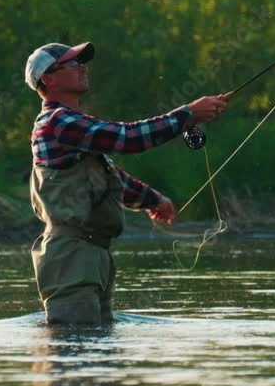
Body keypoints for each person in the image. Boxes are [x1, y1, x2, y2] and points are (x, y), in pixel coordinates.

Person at [23, 41, 230, 324]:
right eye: (73, 64)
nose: (83, 68)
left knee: (97, 353)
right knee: (72, 350)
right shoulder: (56, 122)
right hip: (71, 257)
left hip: (93, 256)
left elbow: (109, 177)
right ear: (47, 78)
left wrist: (151, 200)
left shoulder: (74, 124)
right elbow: (128, 138)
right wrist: (188, 114)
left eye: (82, 63)